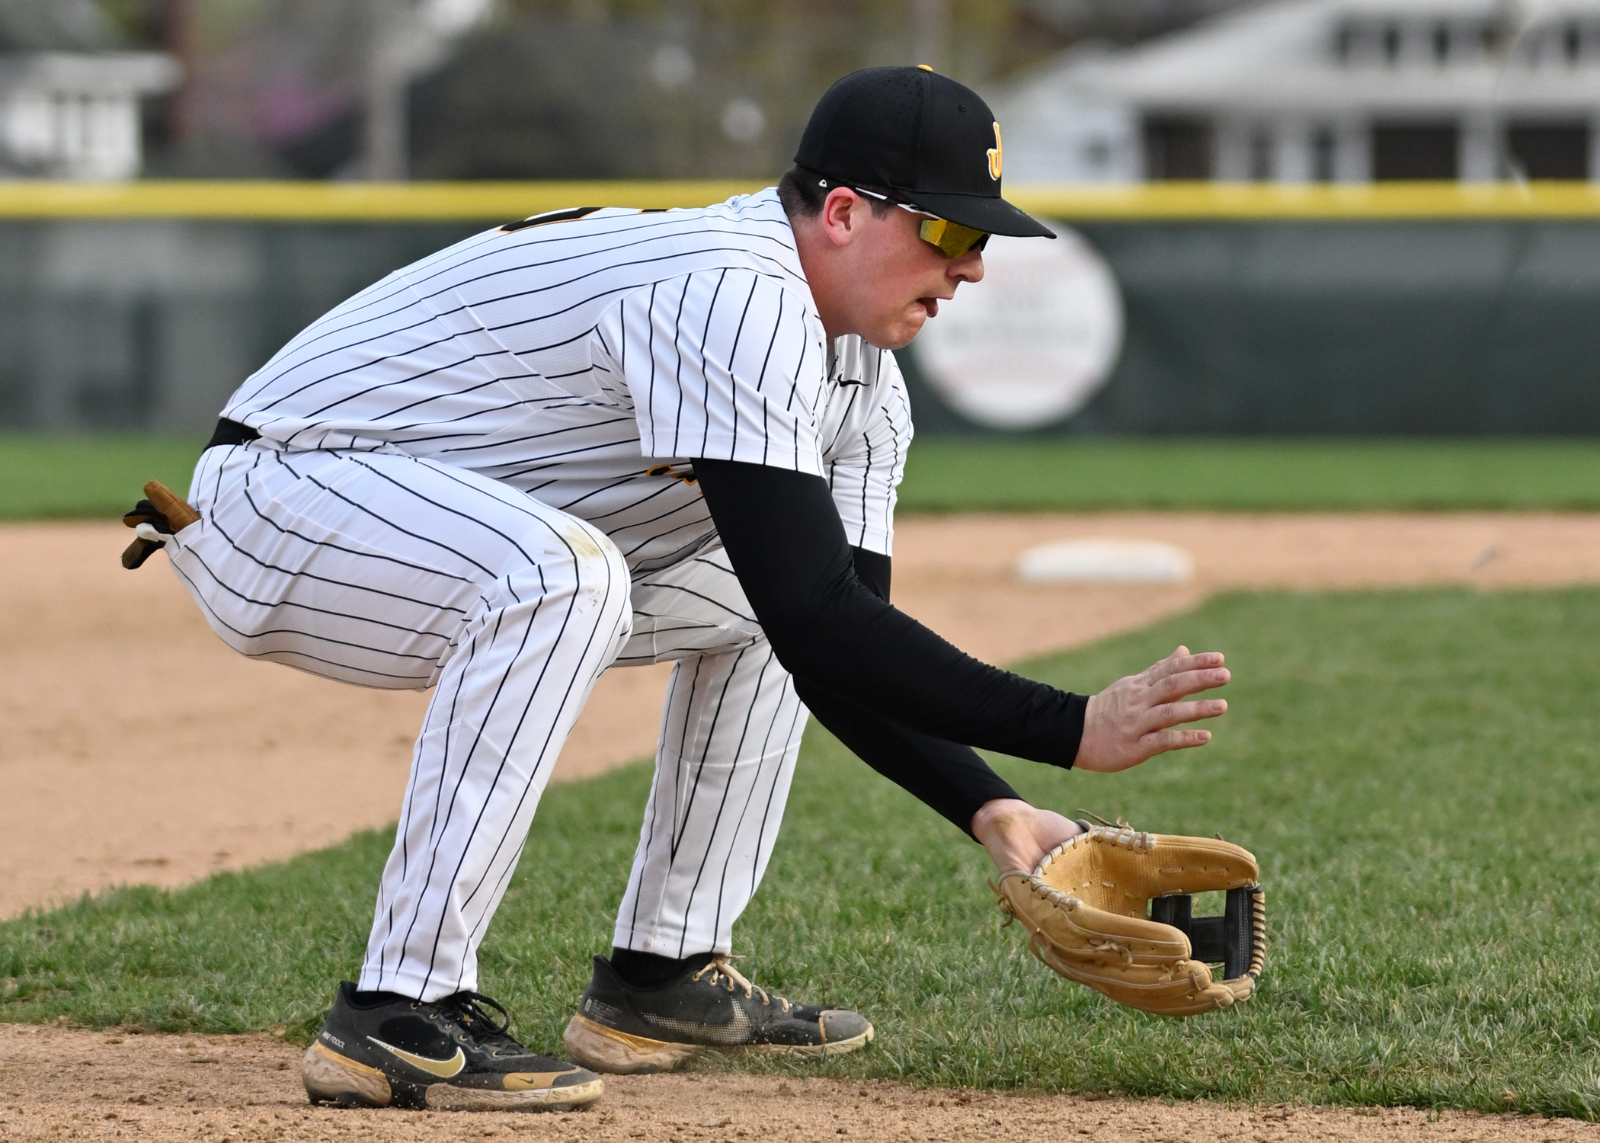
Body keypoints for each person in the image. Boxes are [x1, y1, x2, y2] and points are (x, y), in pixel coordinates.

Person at [150, 66, 1229, 1112]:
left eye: (983, 236)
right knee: (559, 579)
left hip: (414, 526)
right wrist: (1070, 726)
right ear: (845, 213)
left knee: (745, 601)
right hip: (280, 496)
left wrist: (992, 805)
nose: (973, 266)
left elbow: (830, 636)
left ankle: (659, 979)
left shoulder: (861, 387)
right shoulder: (732, 292)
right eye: (948, 230)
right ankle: (396, 1009)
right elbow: (821, 617)